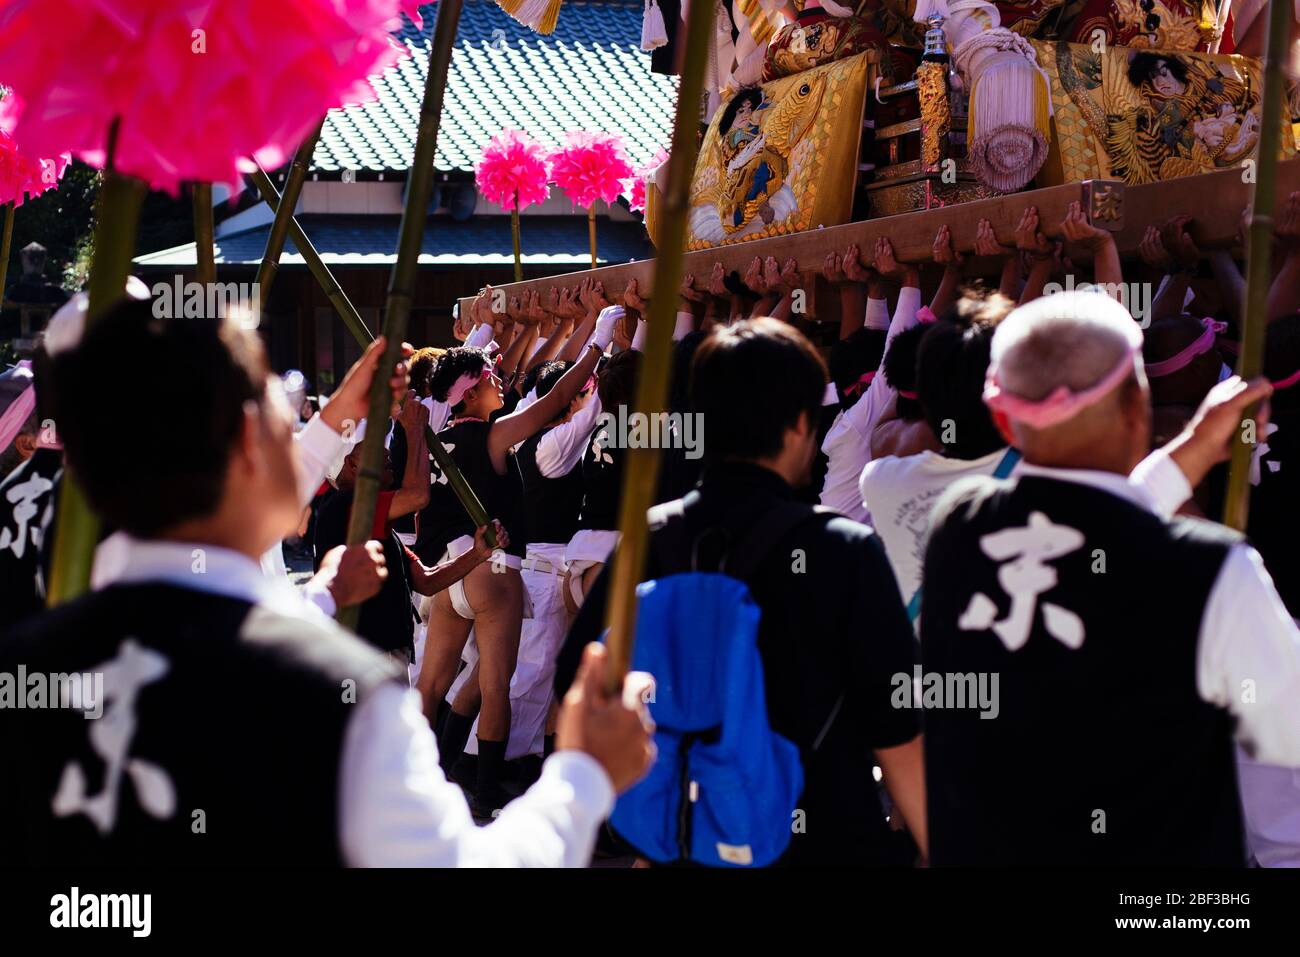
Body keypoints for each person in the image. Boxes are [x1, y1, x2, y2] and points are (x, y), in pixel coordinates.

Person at [0, 296, 653, 866]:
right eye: (281, 408)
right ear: (249, 441)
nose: (303, 427)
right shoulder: (340, 695)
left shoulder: (25, 671)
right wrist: (584, 775)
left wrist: (317, 599)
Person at [920, 290, 1300, 866]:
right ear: (1138, 410)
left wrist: (1195, 448)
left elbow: (1092, 532)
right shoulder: (1217, 570)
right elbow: (1285, 755)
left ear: (1003, 416)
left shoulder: (957, 527)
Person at [561, 318, 928, 867]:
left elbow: (578, 678)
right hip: (821, 836)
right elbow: (897, 731)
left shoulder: (651, 538)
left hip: (683, 838)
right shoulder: (844, 550)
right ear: (801, 425)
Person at [414, 304, 621, 812]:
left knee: (432, 683)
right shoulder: (493, 434)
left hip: (448, 574)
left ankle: (417, 782)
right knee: (494, 686)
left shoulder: (435, 431)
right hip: (492, 572)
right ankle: (483, 797)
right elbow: (554, 400)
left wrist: (483, 349)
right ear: (471, 389)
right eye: (491, 377)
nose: (501, 384)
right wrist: (596, 343)